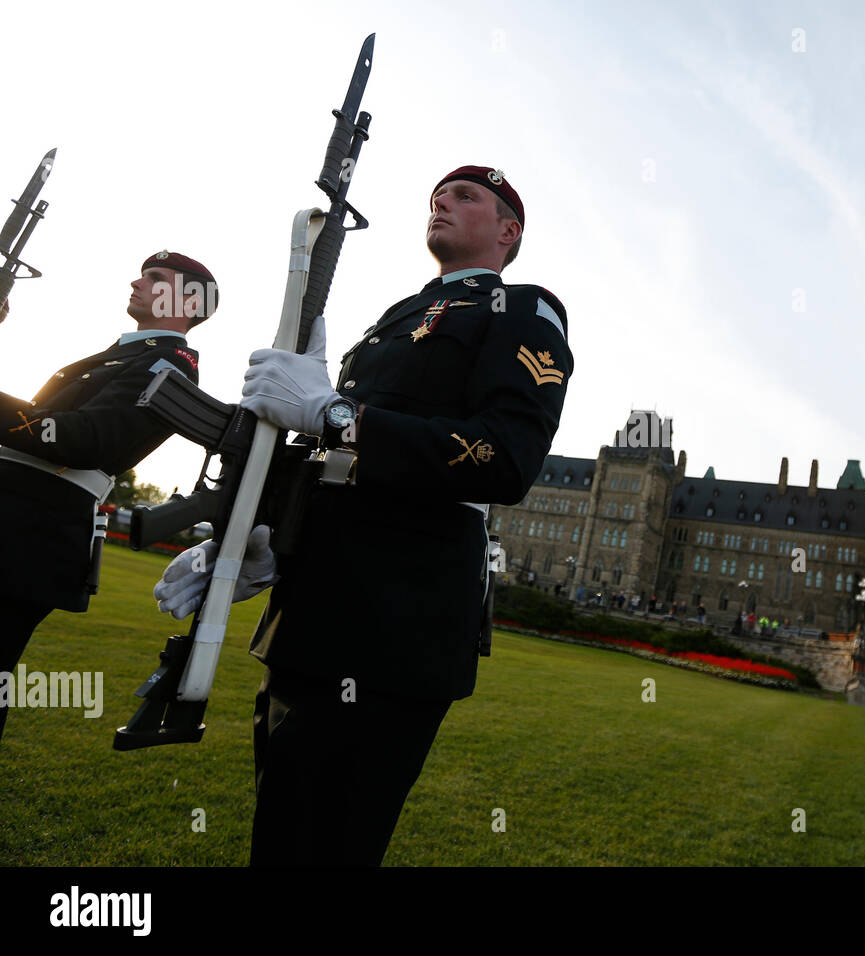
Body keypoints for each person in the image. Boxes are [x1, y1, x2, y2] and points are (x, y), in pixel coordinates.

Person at [156, 166, 572, 865]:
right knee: (280, 837)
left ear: (509, 232)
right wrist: (254, 540)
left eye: (467, 196)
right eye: (437, 194)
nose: (441, 200)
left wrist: (335, 412)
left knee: (328, 846)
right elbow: (334, 466)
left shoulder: (523, 311)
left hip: (395, 624)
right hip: (313, 610)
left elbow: (505, 458)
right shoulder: (395, 322)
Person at [0, 251, 215, 743]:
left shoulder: (170, 363)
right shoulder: (120, 354)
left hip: (28, 533)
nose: (137, 283)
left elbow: (89, 439)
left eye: (154, 278)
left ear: (189, 300)